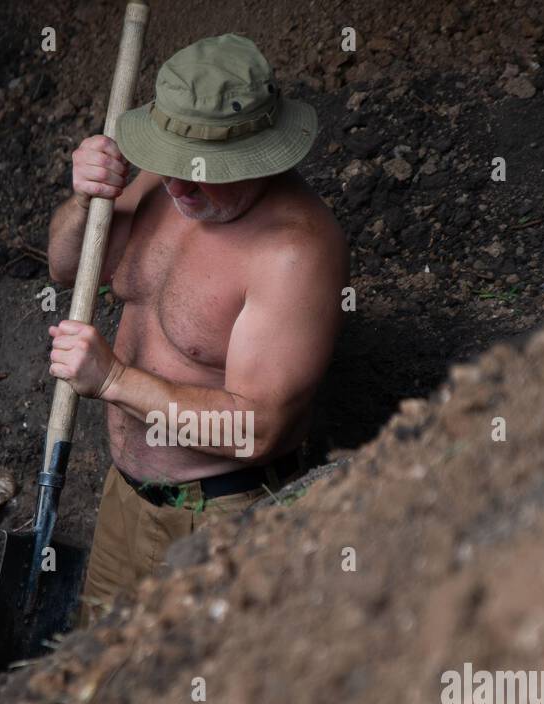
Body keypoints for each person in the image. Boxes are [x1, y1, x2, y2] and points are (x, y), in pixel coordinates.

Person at [45, 34, 348, 625]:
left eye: (205, 173)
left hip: (218, 521)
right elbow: (65, 267)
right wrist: (84, 202)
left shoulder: (295, 251)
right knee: (92, 685)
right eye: (175, 162)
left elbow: (257, 430)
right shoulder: (168, 178)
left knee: (187, 697)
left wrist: (111, 380)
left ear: (260, 155)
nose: (180, 186)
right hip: (123, 502)